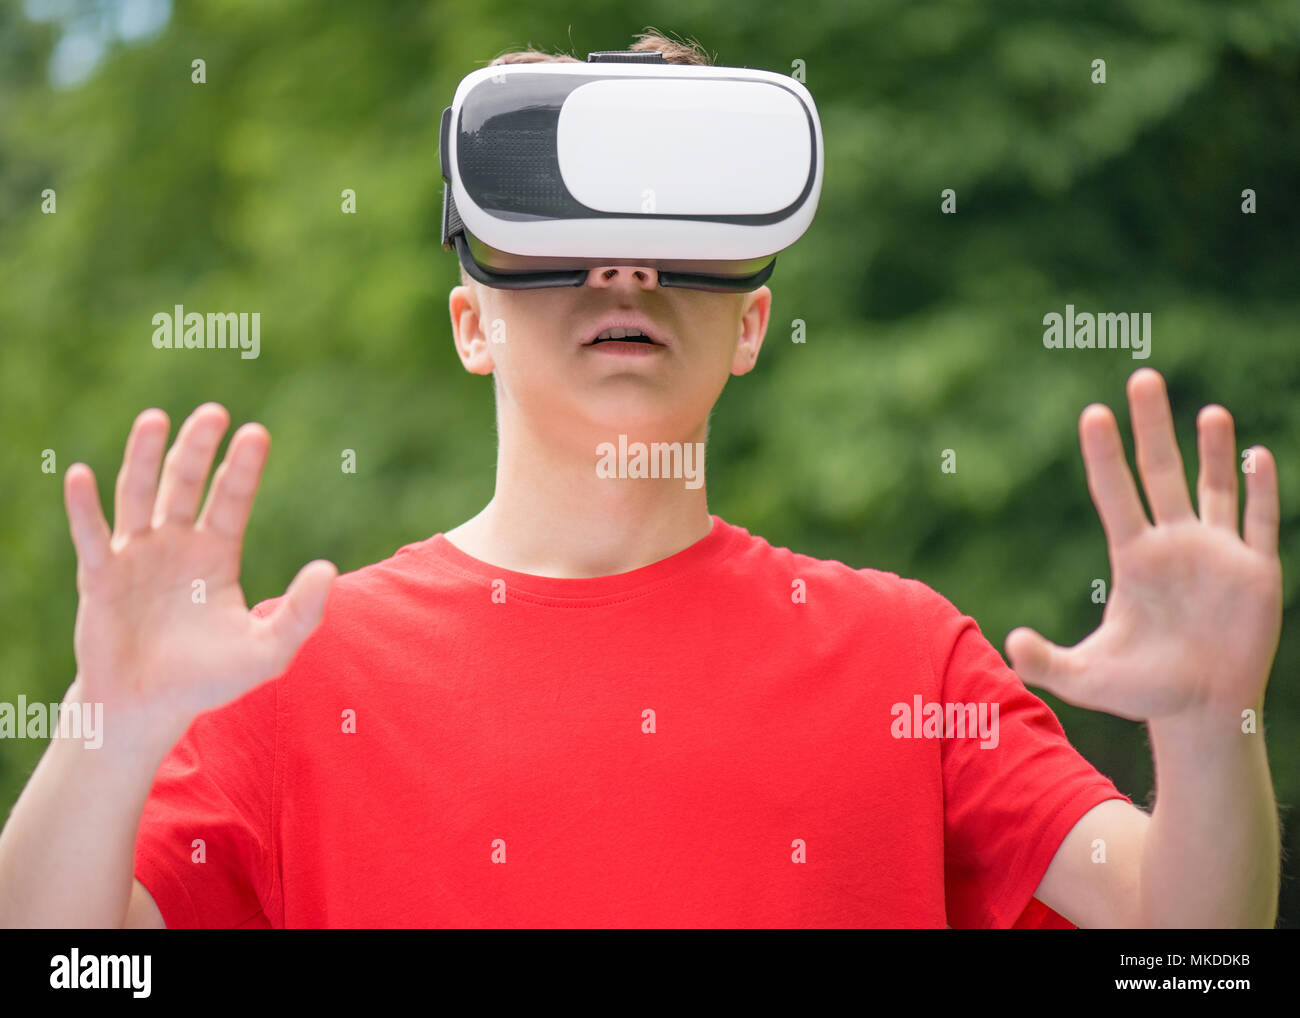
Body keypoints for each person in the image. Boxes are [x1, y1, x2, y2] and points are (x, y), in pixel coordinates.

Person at [0, 32, 1281, 929]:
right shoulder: (293, 674)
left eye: (675, 237)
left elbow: (1184, 936)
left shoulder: (910, 663)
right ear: (469, 320)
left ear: (751, 322)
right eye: (563, 236)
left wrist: (1210, 726)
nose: (623, 274)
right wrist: (104, 729)